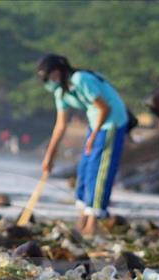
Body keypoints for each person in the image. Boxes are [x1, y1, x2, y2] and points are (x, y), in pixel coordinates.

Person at [38, 54, 128, 235]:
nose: (50, 82)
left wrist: (94, 136)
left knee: (100, 170)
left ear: (58, 71)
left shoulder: (80, 79)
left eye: (51, 77)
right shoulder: (61, 92)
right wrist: (50, 156)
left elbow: (105, 107)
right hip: (95, 123)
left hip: (112, 122)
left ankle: (93, 222)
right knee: (85, 169)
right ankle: (83, 217)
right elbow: (61, 125)